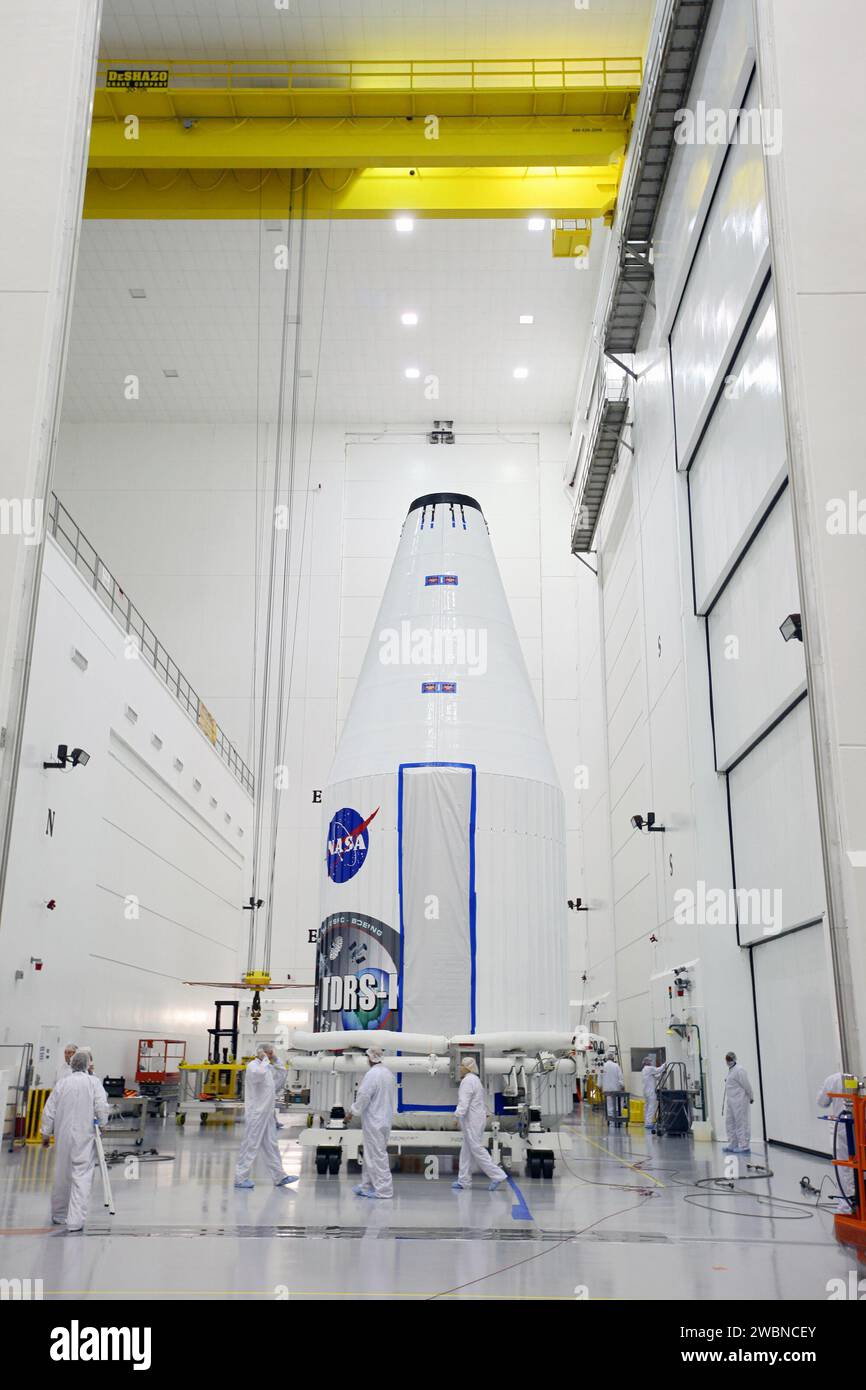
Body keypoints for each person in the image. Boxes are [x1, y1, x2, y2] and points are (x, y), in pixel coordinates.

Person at [40, 1049, 109, 1231]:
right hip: (84, 1136)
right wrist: (103, 1124)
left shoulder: (62, 1083)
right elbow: (101, 1105)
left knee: (62, 1173)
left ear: (72, 1064)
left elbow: (49, 1110)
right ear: (87, 1065)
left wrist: (45, 1134)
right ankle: (75, 1220)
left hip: (63, 1136)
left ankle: (59, 1214)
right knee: (81, 1175)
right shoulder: (93, 1083)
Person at [234, 1045, 297, 1190]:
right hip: (256, 1113)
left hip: (267, 1114)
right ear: (262, 1053)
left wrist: (276, 1060)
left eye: (272, 1053)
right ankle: (240, 1177)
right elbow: (258, 1075)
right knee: (251, 1145)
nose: (271, 1055)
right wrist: (264, 1060)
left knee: (271, 1145)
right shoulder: (254, 1066)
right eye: (269, 1053)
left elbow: (281, 1075)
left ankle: (279, 1176)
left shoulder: (267, 1068)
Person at [346, 1047, 396, 1199]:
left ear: (370, 1058)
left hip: (374, 1121)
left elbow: (364, 1096)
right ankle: (367, 1184)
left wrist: (352, 1112)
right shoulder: (388, 1073)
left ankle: (384, 1190)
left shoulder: (372, 1074)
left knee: (377, 1155)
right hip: (384, 1120)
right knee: (371, 1154)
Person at [452, 1057, 507, 1192]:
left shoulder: (467, 1081)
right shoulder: (475, 1080)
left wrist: (456, 1116)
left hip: (471, 1121)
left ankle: (498, 1175)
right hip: (476, 1119)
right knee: (466, 1150)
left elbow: (463, 1102)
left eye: (461, 1065)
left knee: (476, 1149)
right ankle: (464, 1181)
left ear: (467, 1067)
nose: (459, 1068)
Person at [817, 1071, 856, 1208]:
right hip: (858, 1126)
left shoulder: (832, 1079)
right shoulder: (855, 1077)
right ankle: (855, 1201)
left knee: (844, 1166)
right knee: (856, 1164)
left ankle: (846, 1205)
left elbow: (822, 1102)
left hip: (843, 1129)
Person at [722, 1051, 754, 1154]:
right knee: (729, 1122)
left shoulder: (740, 1070)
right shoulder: (731, 1070)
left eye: (730, 1059)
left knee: (741, 1122)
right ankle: (733, 1144)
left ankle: (744, 1145)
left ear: (734, 1059)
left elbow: (746, 1085)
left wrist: (751, 1096)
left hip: (740, 1101)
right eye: (727, 1060)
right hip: (731, 1101)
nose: (728, 1061)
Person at [641, 1055, 665, 1131]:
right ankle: (648, 1123)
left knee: (647, 1107)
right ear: (648, 1063)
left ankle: (647, 1122)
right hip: (650, 1092)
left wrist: (662, 1073)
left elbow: (656, 1076)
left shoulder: (645, 1070)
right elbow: (658, 1070)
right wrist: (665, 1064)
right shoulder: (649, 1068)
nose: (651, 1063)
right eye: (650, 1062)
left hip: (646, 1091)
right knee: (651, 1106)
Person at [601, 1052, 625, 1122]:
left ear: (606, 1058)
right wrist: (622, 1085)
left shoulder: (603, 1066)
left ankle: (610, 1119)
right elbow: (620, 1077)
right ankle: (617, 1115)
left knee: (609, 1104)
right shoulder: (616, 1066)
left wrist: (599, 1085)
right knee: (618, 1102)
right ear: (613, 1058)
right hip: (616, 1088)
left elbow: (600, 1076)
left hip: (607, 1089)